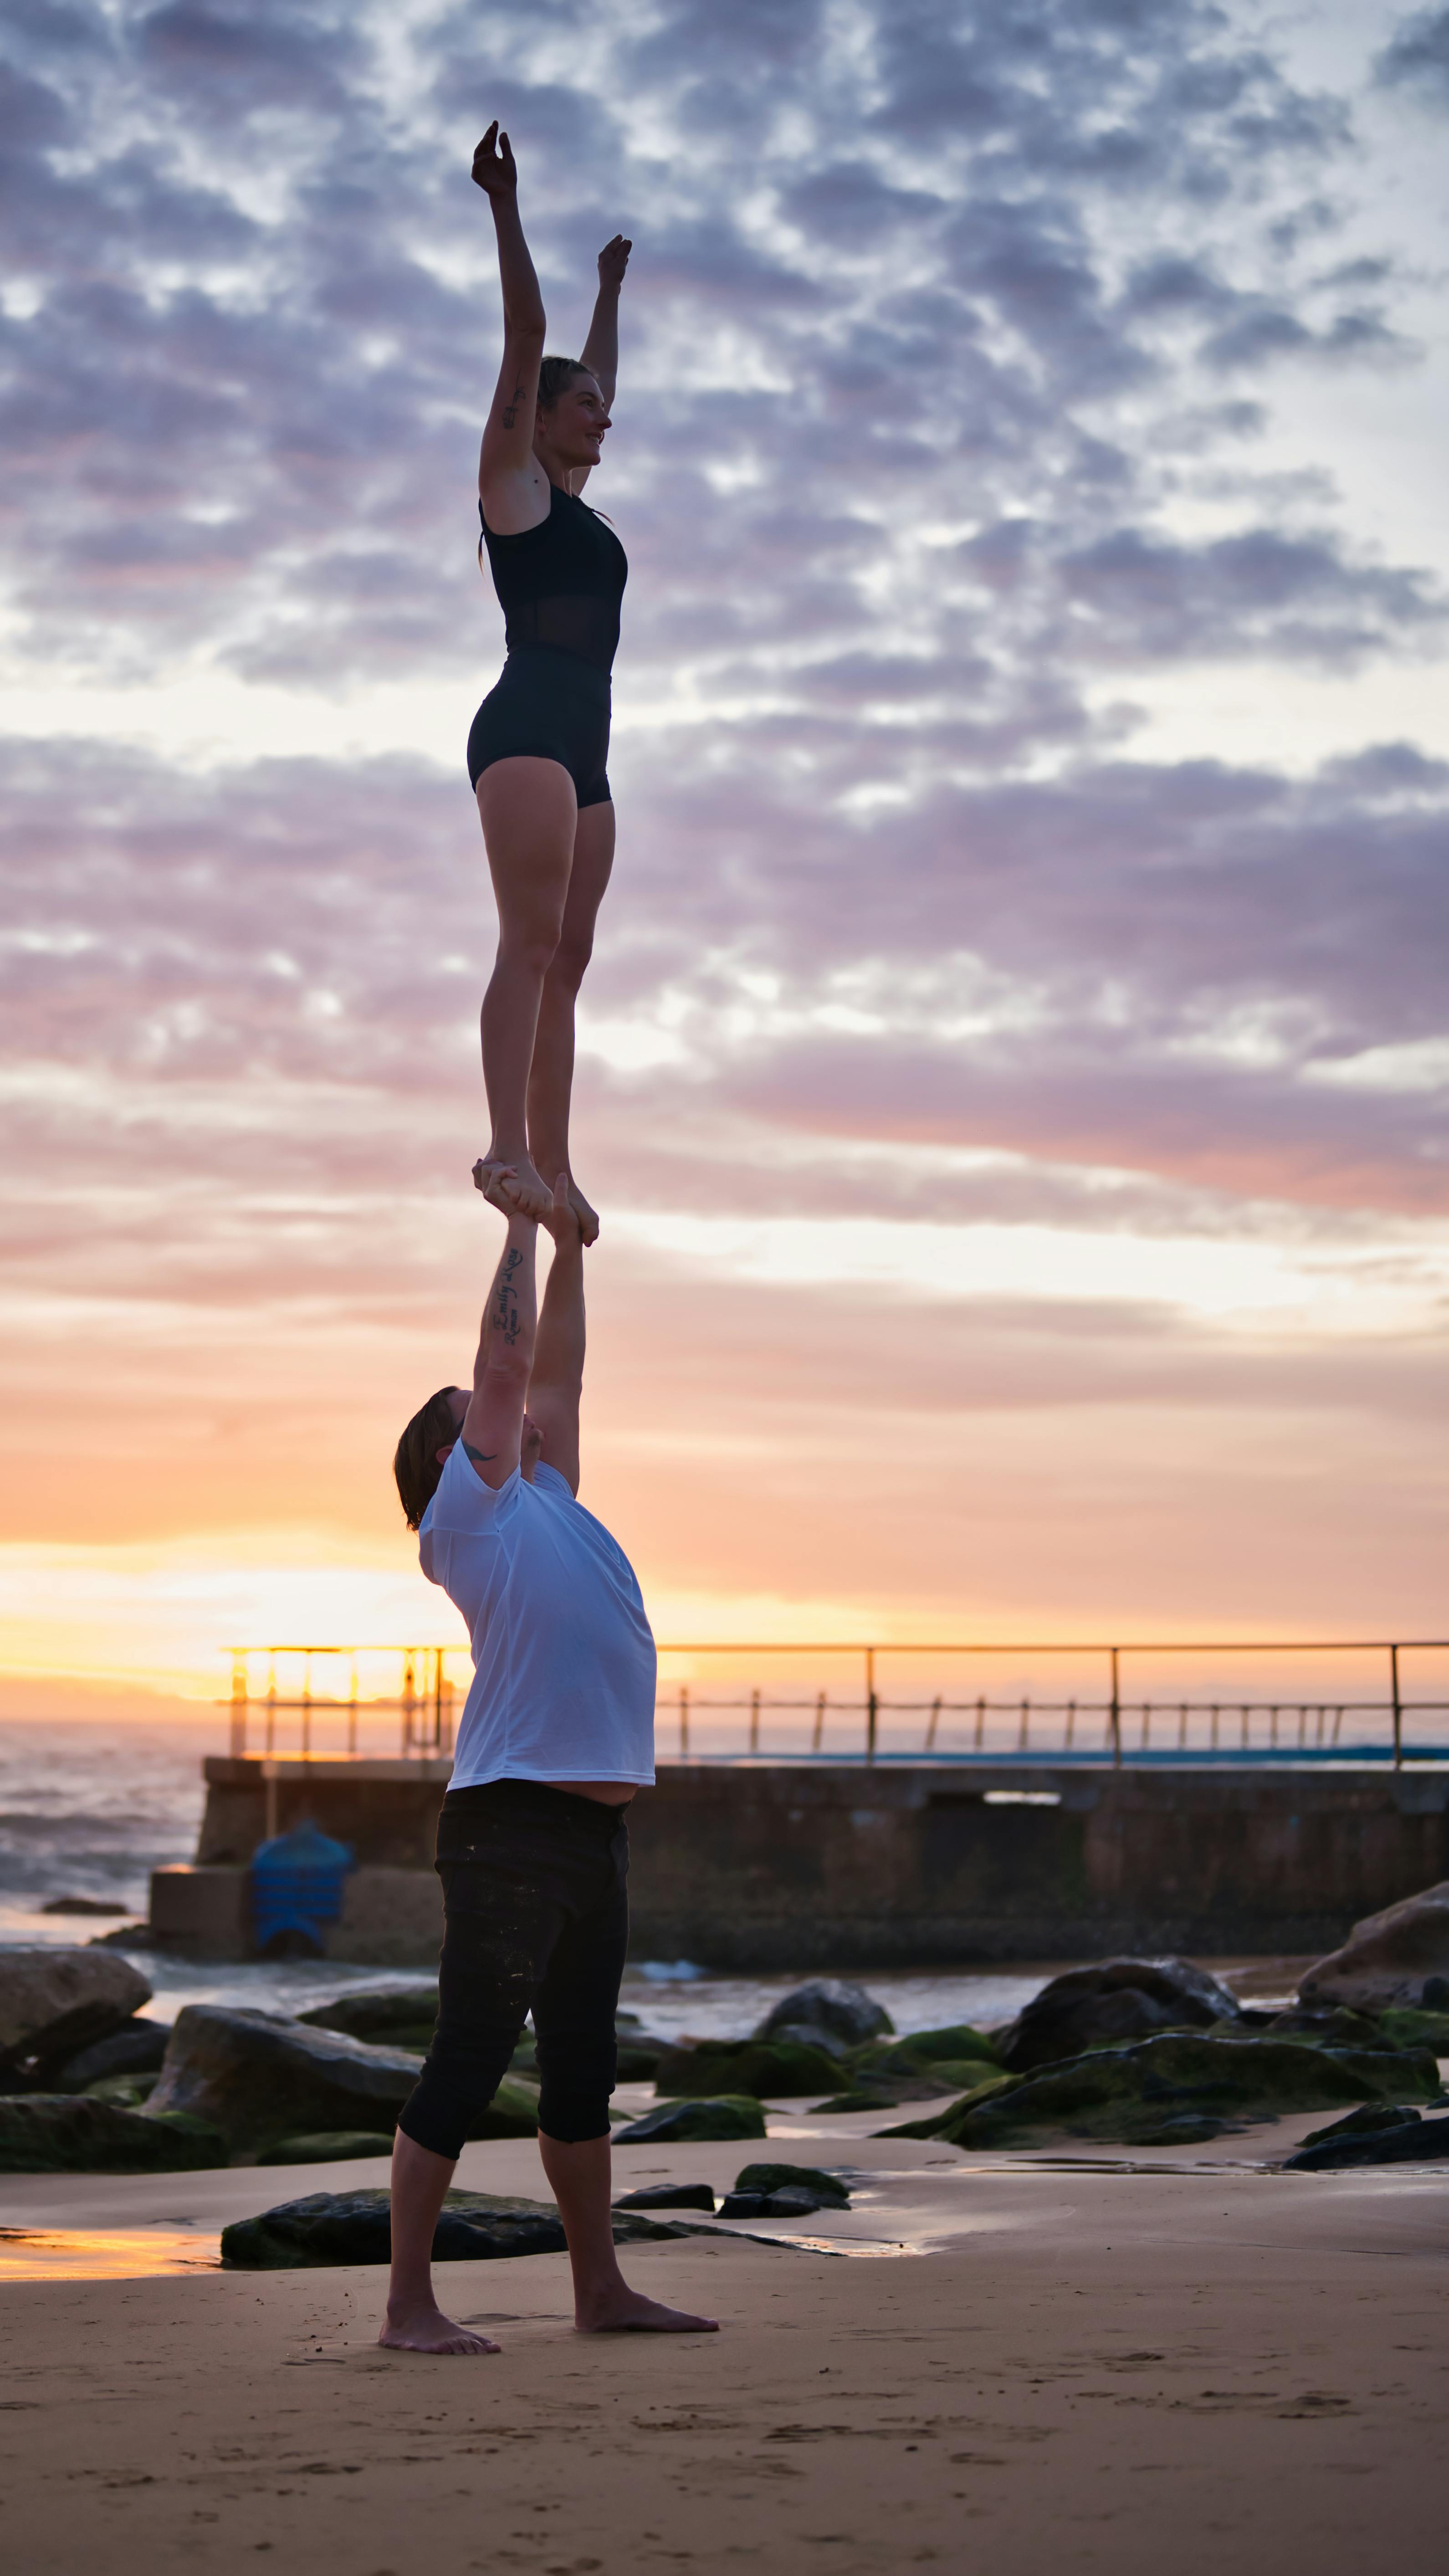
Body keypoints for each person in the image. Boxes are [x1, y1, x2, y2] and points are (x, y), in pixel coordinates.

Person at [382, 1165, 718, 2354]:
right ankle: (409, 2307)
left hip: (593, 1833)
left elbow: (558, 1369)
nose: (523, 1415)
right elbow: (513, 1363)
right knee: (470, 2061)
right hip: (508, 1825)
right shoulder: (463, 1524)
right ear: (453, 1456)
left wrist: (572, 1238)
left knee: (582, 2073)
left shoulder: (552, 1502)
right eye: (486, 1416)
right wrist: (518, 1220)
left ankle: (599, 2293)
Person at [467, 120, 633, 1244]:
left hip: (591, 744)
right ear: (541, 409)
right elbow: (530, 338)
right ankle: (504, 1150)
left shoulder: (575, 499)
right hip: (526, 725)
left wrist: (610, 289)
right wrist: (504, 205)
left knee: (570, 961)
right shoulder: (512, 490)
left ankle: (557, 1166)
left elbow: (591, 365)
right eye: (584, 406)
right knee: (526, 944)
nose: (603, 415)